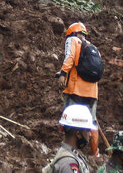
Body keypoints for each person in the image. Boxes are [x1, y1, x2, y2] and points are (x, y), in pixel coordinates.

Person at [57, 22, 100, 156]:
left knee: (69, 120)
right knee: (91, 122)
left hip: (75, 90)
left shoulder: (73, 40)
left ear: (71, 33)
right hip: (92, 92)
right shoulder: (93, 48)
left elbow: (70, 57)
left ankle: (68, 151)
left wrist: (63, 73)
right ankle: (95, 154)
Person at [43, 104, 97, 173]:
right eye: (88, 131)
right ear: (78, 134)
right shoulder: (68, 162)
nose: (90, 135)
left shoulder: (68, 154)